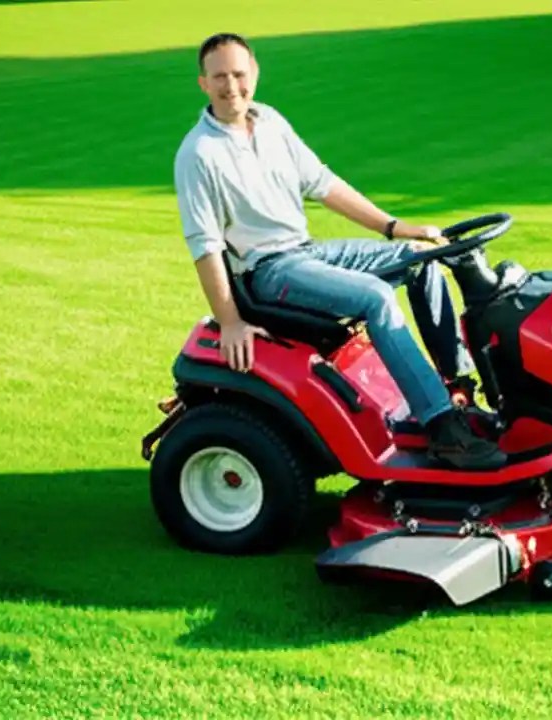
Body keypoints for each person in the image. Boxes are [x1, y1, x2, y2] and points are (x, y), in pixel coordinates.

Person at [173, 33, 506, 471]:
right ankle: (443, 428)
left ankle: (455, 390)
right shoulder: (198, 154)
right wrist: (231, 321)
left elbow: (323, 184)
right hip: (269, 272)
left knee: (423, 263)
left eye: (238, 74)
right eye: (219, 77)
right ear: (203, 83)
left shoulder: (270, 121)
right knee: (375, 297)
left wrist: (396, 228)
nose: (230, 86)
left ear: (254, 74)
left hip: (307, 253)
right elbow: (206, 246)